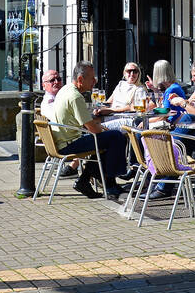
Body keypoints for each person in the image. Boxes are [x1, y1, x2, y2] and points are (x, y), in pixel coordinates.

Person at [49, 61, 129, 201]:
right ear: (80, 79)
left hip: (62, 140)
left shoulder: (66, 89)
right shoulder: (75, 97)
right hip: (69, 144)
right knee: (116, 137)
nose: (95, 81)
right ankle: (109, 183)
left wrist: (102, 129)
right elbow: (92, 129)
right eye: (92, 78)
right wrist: (104, 129)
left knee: (106, 141)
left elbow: (88, 125)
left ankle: (87, 180)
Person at [39, 69, 79, 179]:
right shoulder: (49, 103)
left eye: (59, 79)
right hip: (66, 143)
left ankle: (78, 170)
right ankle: (80, 171)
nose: (56, 82)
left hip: (65, 139)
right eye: (52, 80)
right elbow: (65, 121)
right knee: (100, 139)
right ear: (44, 85)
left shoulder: (60, 98)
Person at [96, 62, 147, 130]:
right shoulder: (120, 84)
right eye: (129, 71)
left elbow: (132, 108)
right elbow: (109, 102)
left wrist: (111, 110)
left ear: (138, 74)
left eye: (135, 71)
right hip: (111, 116)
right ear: (124, 73)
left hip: (127, 119)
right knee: (89, 122)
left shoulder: (140, 89)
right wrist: (100, 109)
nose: (132, 74)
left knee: (98, 128)